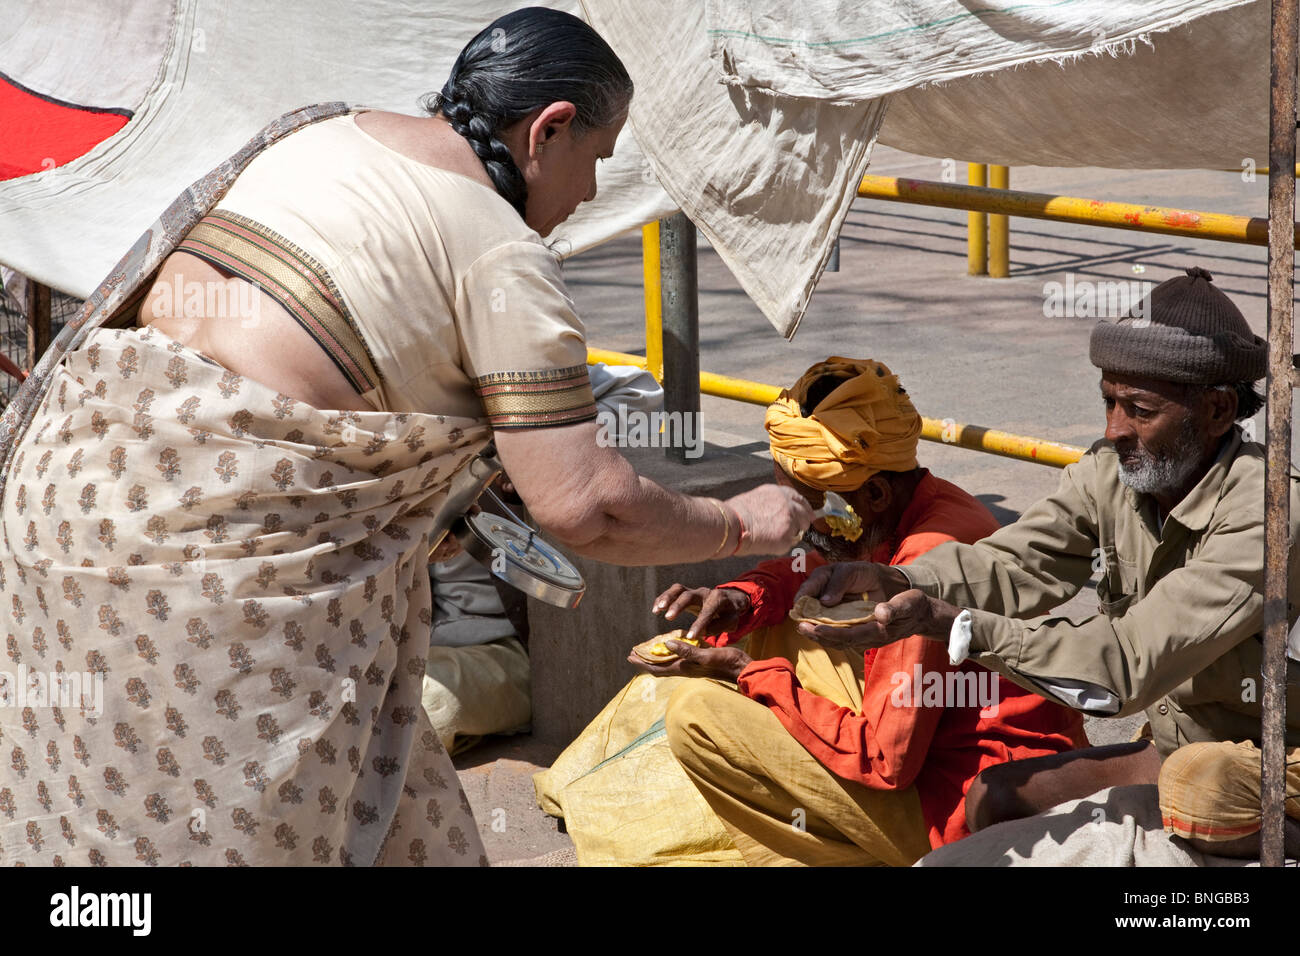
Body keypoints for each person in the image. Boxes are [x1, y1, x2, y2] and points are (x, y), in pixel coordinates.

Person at [0, 8, 809, 867]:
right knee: (221, 832)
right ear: (551, 129)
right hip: (213, 578)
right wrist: (745, 522)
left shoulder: (322, 133)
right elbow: (589, 509)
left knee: (125, 811)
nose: (592, 193)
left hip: (67, 500)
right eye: (598, 160)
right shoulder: (501, 257)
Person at [793, 268, 1300, 863]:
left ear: (1217, 410)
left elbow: (1125, 664)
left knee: (1197, 789)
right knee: (993, 795)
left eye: (1139, 409)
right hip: (1182, 743)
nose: (1114, 431)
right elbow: (1015, 564)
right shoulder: (1109, 473)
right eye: (1108, 402)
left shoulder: (1267, 514)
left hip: (1273, 761)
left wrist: (952, 624)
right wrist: (899, 580)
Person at [541, 357, 1086, 866]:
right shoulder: (916, 504)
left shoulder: (925, 565)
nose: (804, 526)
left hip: (967, 815)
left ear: (871, 494)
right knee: (785, 618)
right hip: (950, 762)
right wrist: (743, 597)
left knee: (694, 718)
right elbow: (812, 571)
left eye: (813, 507)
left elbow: (885, 761)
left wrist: (741, 672)